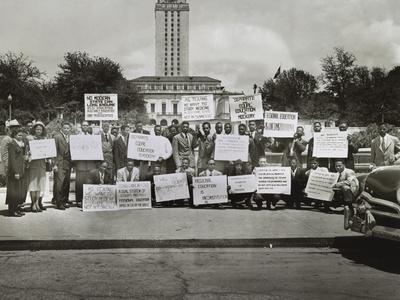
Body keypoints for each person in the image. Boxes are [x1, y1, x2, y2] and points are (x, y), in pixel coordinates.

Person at [6, 128, 29, 217]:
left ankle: (17, 208)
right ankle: (12, 210)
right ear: (14, 135)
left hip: (21, 169)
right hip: (14, 171)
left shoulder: (21, 144)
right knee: (13, 191)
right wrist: (15, 172)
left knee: (19, 191)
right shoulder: (12, 144)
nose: (21, 136)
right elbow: (12, 160)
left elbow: (21, 157)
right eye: (19, 135)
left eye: (21, 135)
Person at [74, 121, 97, 207]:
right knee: (80, 183)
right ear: (81, 127)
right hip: (81, 163)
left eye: (86, 125)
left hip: (90, 163)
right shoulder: (77, 137)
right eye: (83, 125)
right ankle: (79, 200)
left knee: (89, 182)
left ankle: (88, 200)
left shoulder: (92, 137)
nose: (85, 126)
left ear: (88, 127)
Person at [26, 122, 48, 212]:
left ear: (42, 130)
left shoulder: (45, 139)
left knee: (40, 185)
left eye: (40, 129)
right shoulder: (29, 138)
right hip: (33, 164)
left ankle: (37, 203)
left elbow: (48, 151)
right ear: (34, 129)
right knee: (33, 185)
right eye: (37, 129)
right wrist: (29, 154)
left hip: (42, 164)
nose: (39, 131)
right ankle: (33, 203)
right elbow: (26, 151)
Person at [53, 122, 72, 210]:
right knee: (59, 183)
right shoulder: (57, 137)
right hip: (60, 163)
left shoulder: (71, 137)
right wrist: (55, 164)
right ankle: (58, 202)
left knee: (66, 183)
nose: (66, 130)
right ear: (62, 128)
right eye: (65, 128)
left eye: (68, 128)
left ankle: (64, 201)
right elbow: (54, 151)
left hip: (68, 163)